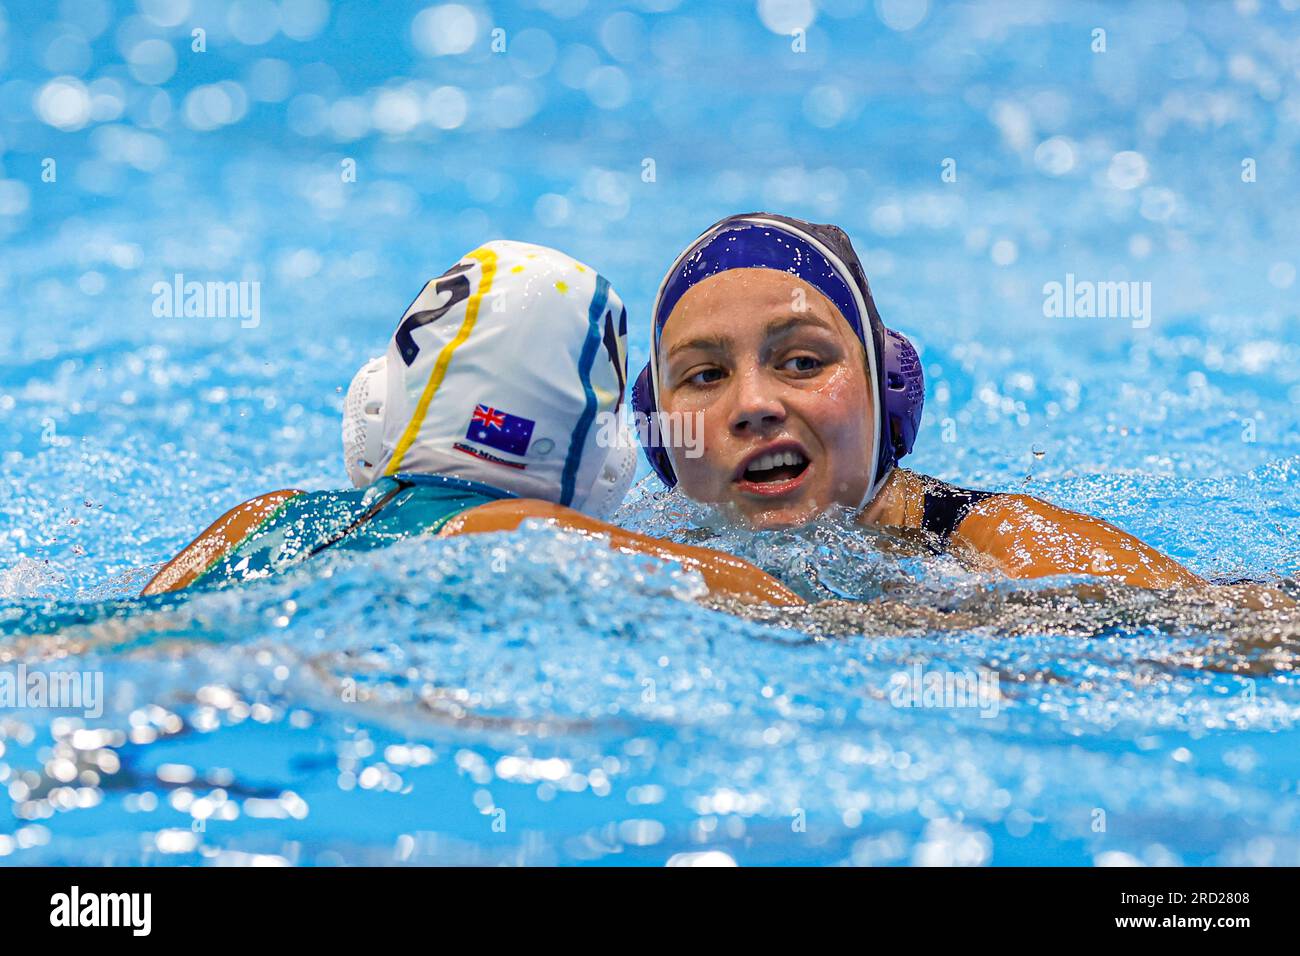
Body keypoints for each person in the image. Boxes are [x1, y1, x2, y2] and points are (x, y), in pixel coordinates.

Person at [631, 212, 1291, 605]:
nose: (752, 404)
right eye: (706, 374)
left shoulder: (1006, 538)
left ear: (888, 390)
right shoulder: (650, 535)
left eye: (803, 363)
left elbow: (1252, 633)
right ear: (661, 435)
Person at [142, 240, 799, 608]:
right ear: (603, 460)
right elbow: (768, 603)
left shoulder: (262, 514)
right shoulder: (520, 528)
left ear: (380, 397)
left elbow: (141, 620)